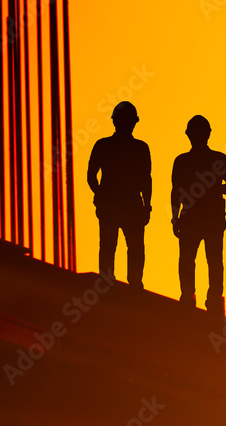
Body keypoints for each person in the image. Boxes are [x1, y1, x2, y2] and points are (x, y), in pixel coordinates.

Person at [171, 115, 226, 315]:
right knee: (200, 260)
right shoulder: (213, 159)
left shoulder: (198, 160)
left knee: (205, 260)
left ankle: (202, 298)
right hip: (200, 218)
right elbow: (176, 191)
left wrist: (176, 217)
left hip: (204, 218)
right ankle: (199, 297)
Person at [87, 101, 152, 289]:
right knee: (115, 245)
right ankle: (122, 283)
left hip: (125, 204)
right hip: (119, 204)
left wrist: (147, 205)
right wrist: (100, 194)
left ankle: (129, 283)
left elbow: (145, 179)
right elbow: (91, 175)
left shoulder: (137, 148)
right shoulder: (133, 147)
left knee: (127, 247)